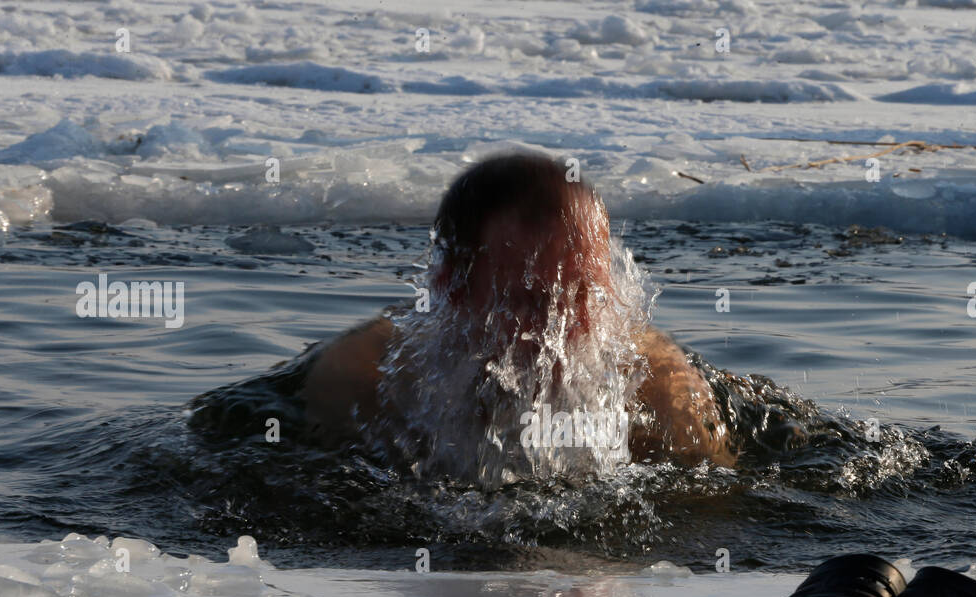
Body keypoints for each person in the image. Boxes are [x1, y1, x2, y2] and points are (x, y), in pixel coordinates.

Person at [298, 153, 736, 473]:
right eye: (532, 300)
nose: (568, 326)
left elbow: (714, 510)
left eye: (586, 294)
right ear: (451, 287)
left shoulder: (658, 389)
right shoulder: (362, 380)